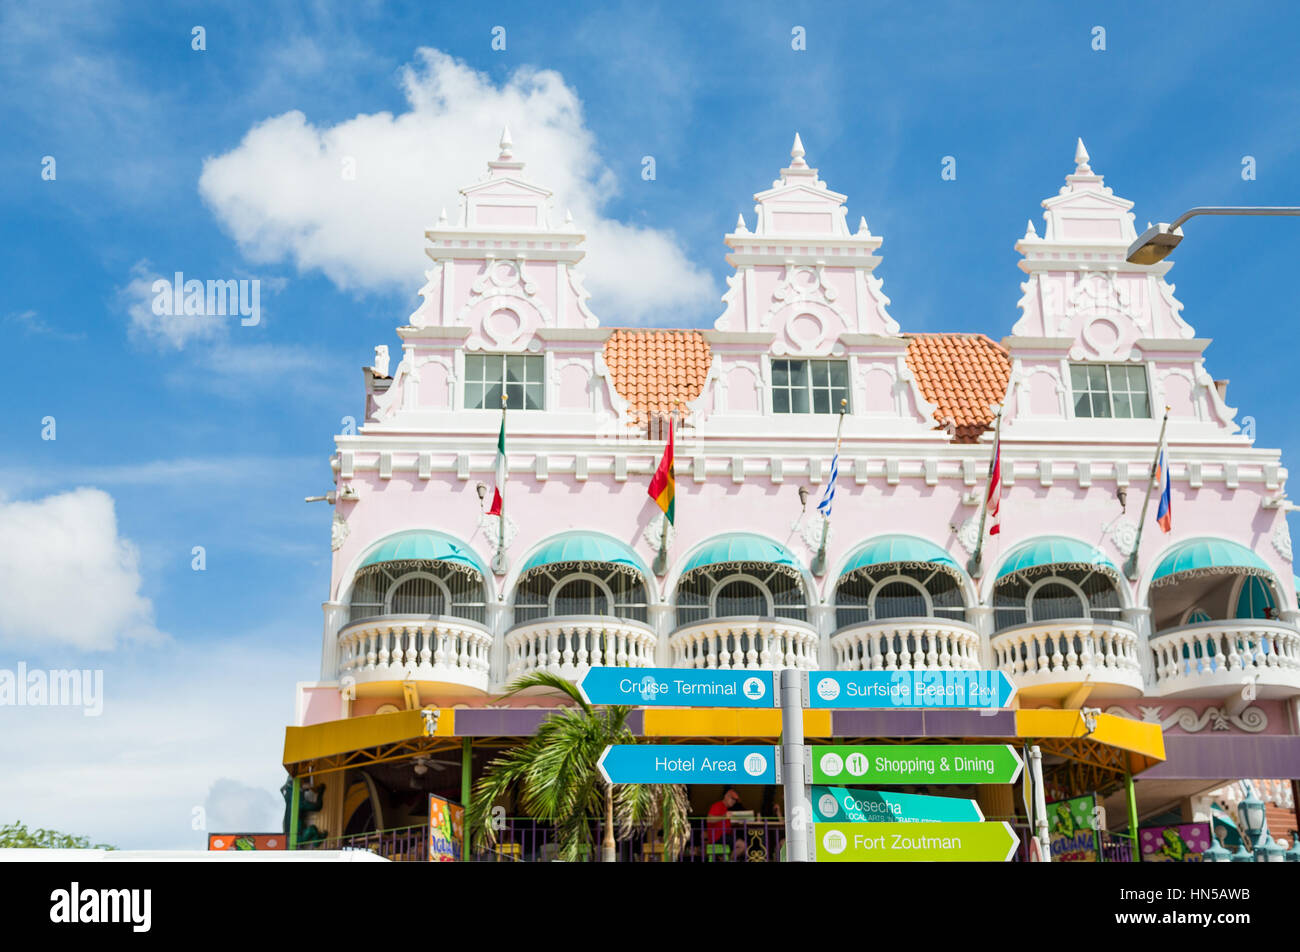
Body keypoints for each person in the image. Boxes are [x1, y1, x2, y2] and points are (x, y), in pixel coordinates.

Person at [706, 788, 746, 860]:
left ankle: (726, 859)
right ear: (726, 796)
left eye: (735, 800)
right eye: (732, 799)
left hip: (725, 837)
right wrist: (724, 816)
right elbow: (709, 819)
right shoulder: (718, 805)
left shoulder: (725, 809)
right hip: (718, 837)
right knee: (742, 845)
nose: (734, 801)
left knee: (745, 849)